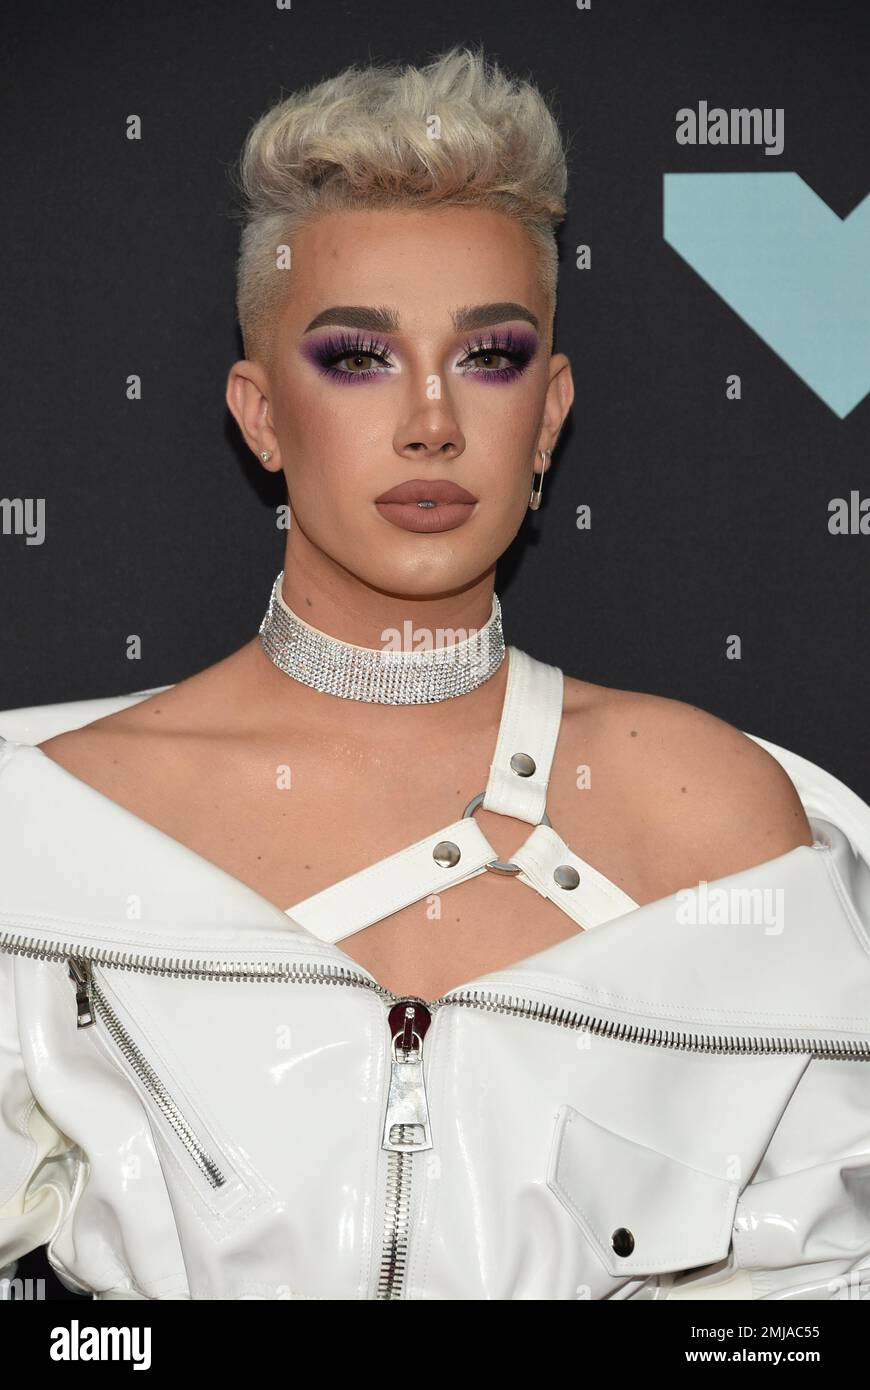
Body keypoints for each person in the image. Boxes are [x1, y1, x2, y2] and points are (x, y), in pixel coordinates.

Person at [1, 45, 868, 1302]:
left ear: (551, 410)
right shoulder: (52, 840)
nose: (430, 419)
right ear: (256, 413)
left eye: (490, 355)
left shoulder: (715, 814)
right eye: (355, 356)